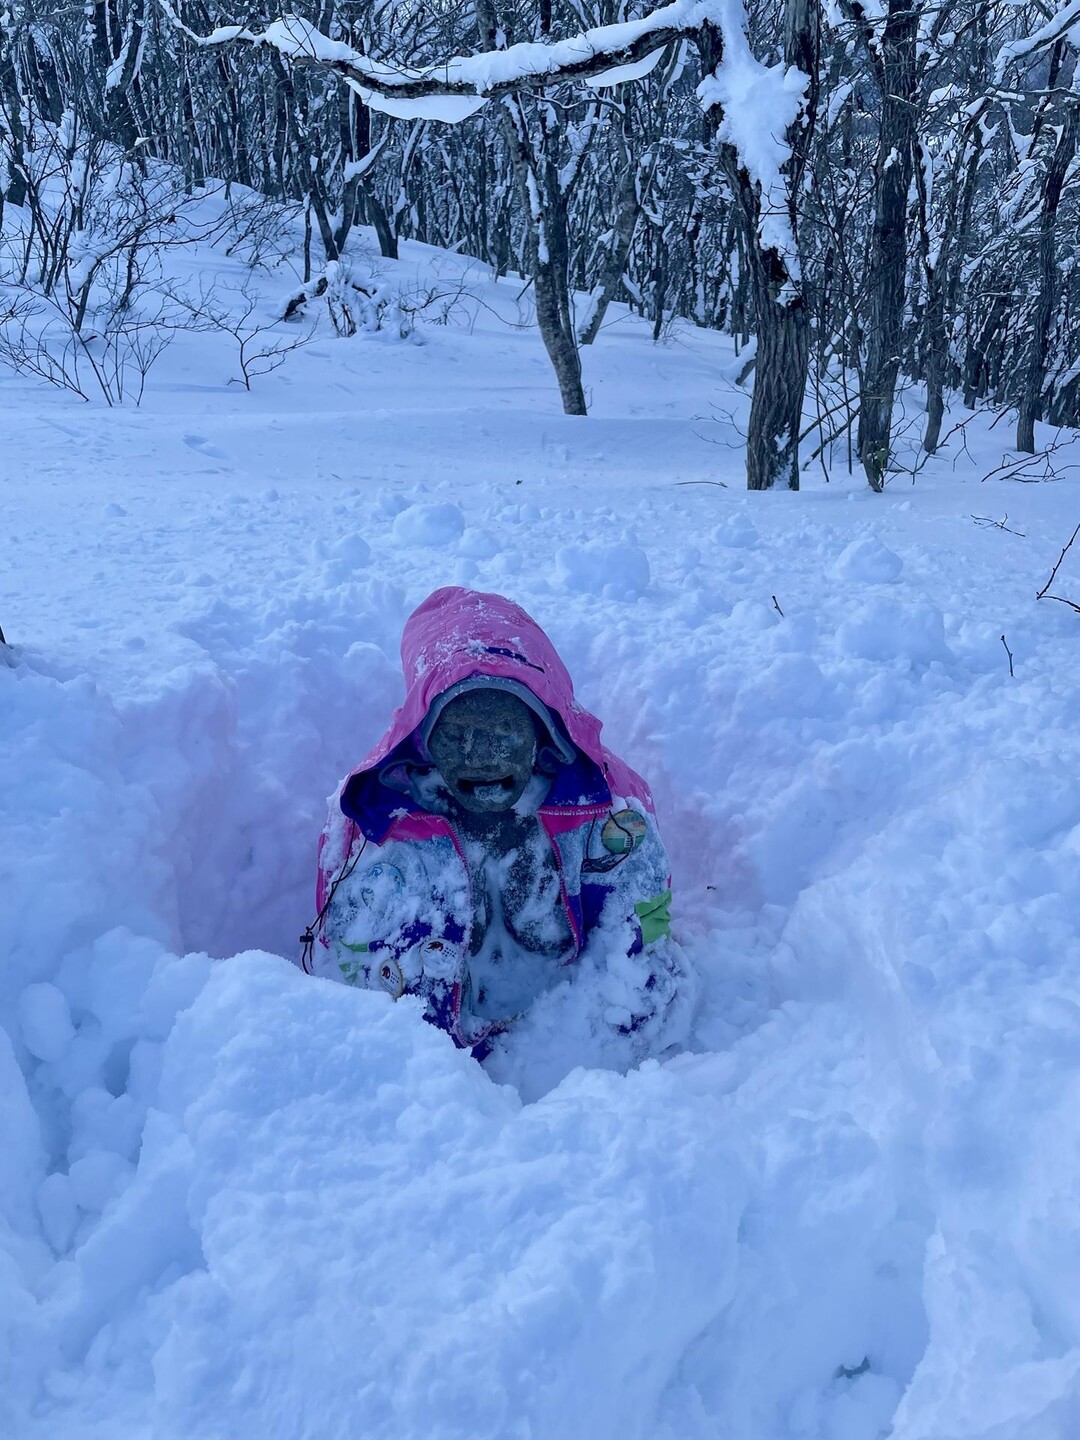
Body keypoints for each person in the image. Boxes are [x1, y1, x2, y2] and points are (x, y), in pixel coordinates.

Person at [307, 586, 692, 1060]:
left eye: (503, 732)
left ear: (544, 734)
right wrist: (421, 1047)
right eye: (457, 734)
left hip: (570, 1045)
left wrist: (609, 1025)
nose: (480, 757)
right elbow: (359, 955)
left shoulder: (602, 811)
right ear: (423, 738)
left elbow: (640, 924)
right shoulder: (381, 823)